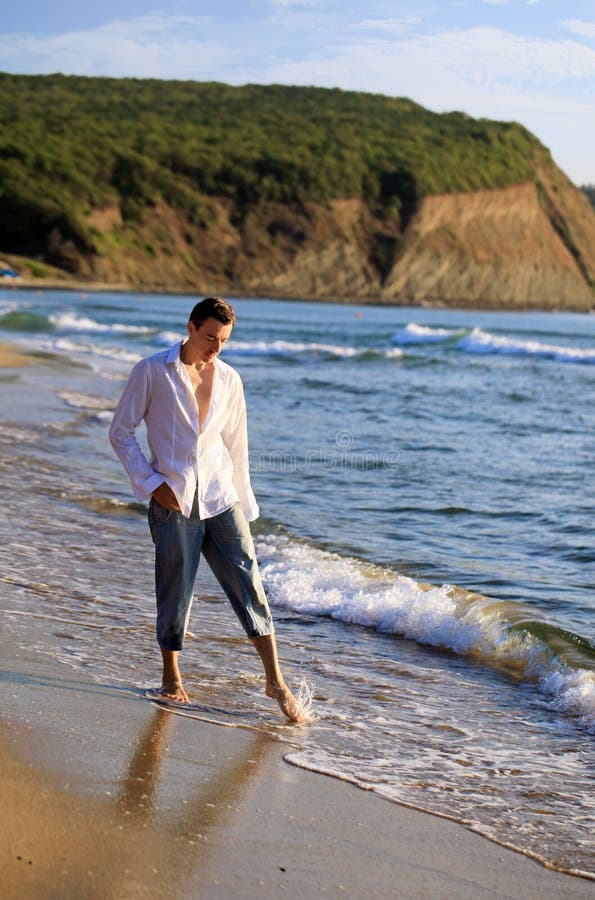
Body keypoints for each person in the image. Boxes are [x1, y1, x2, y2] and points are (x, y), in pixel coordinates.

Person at [109, 296, 303, 722]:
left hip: (220, 496)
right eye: (211, 337)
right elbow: (120, 432)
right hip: (173, 498)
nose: (217, 347)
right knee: (175, 588)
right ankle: (171, 677)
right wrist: (152, 485)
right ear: (191, 327)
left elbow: (237, 445)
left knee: (248, 581)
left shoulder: (231, 379)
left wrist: (245, 504)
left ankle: (276, 680)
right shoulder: (151, 371)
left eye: (225, 340)